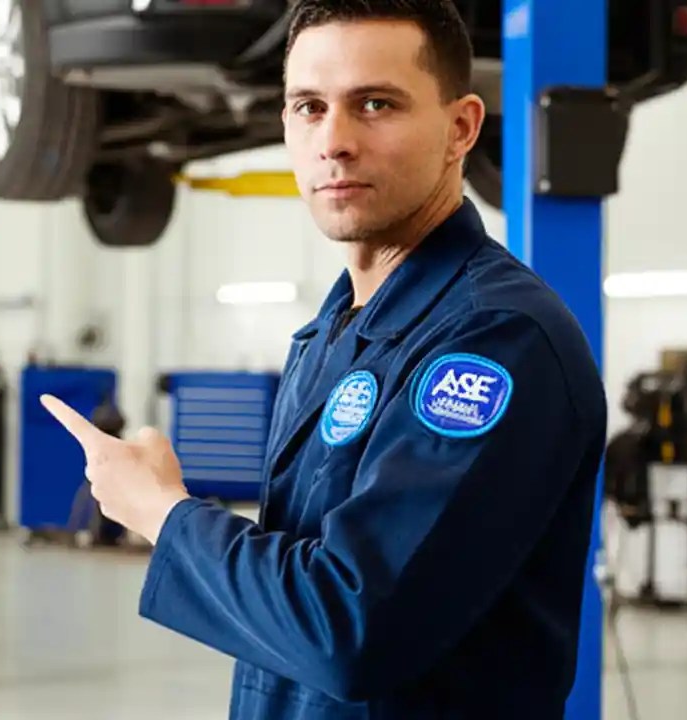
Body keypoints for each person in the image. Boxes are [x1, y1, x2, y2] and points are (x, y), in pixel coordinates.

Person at [40, 0, 608, 717]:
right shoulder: (330, 334)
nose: (334, 141)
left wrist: (163, 511)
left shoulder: (495, 341)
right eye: (309, 107)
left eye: (375, 104)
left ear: (461, 127)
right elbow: (291, 620)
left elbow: (349, 628)